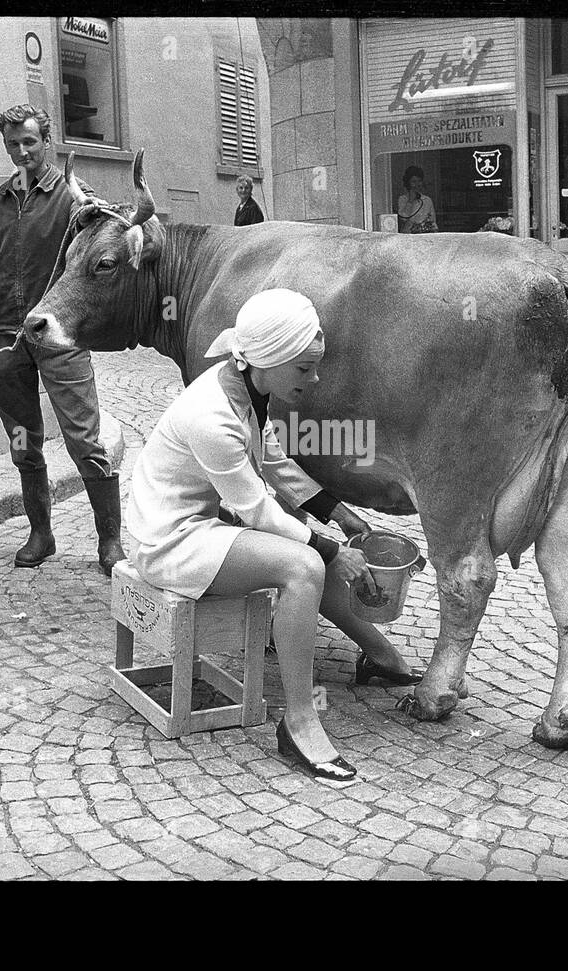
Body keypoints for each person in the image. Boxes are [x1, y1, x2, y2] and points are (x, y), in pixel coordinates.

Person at [127, 289, 422, 781]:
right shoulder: (211, 416)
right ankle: (300, 722)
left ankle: (380, 656)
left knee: (311, 554)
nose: (315, 378)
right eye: (304, 368)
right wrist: (329, 550)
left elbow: (276, 464)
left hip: (202, 527)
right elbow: (255, 507)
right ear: (265, 360)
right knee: (303, 563)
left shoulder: (245, 387)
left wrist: (342, 517)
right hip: (168, 542)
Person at [0, 104, 126, 574]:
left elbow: (104, 230)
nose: (22, 152)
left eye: (30, 142)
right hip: (1, 335)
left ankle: (109, 542)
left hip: (58, 333)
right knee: (23, 442)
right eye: (13, 144)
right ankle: (41, 533)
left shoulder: (71, 195)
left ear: (46, 141)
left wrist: (96, 214)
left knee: (84, 437)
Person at [397, 166, 437, 233]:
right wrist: (410, 201)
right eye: (414, 182)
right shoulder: (402, 199)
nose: (417, 184)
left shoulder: (427, 200)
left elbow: (433, 222)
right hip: (408, 235)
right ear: (408, 183)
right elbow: (403, 217)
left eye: (419, 181)